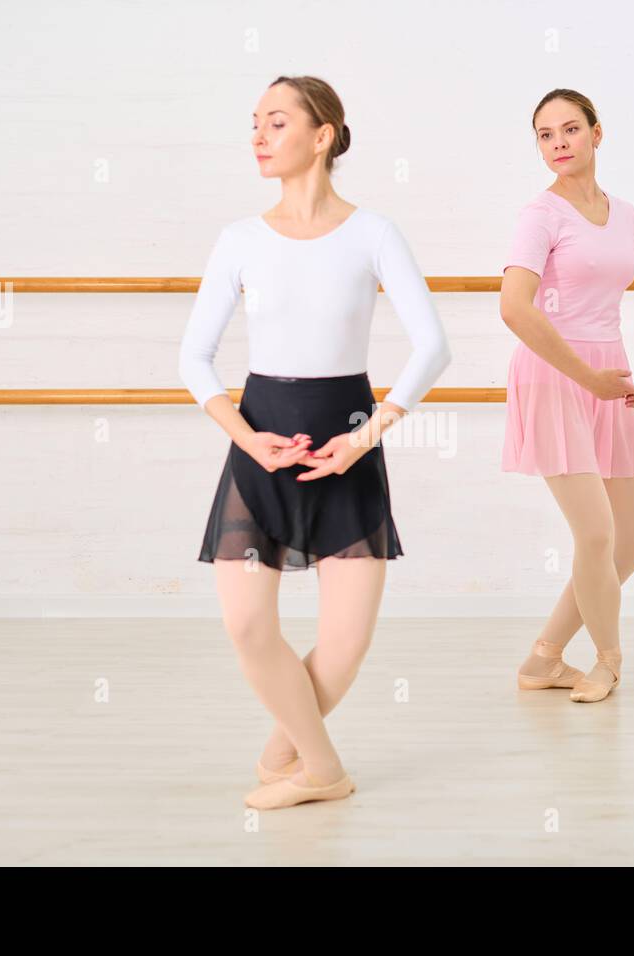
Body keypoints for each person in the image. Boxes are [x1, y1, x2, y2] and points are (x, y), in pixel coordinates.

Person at [178, 75, 452, 808]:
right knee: (245, 624)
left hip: (350, 442)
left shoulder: (374, 234)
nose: (259, 136)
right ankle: (325, 770)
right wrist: (248, 439)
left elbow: (432, 348)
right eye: (254, 124)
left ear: (322, 134)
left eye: (276, 122)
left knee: (347, 644)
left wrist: (367, 438)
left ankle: (289, 755)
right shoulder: (239, 239)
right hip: (261, 442)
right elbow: (192, 357)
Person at [501, 88, 634, 703]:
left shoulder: (629, 217)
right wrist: (586, 378)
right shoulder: (540, 216)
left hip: (611, 379)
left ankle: (543, 658)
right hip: (556, 377)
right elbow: (513, 308)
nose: (557, 143)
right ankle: (607, 661)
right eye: (544, 134)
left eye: (569, 129)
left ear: (596, 134)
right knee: (596, 535)